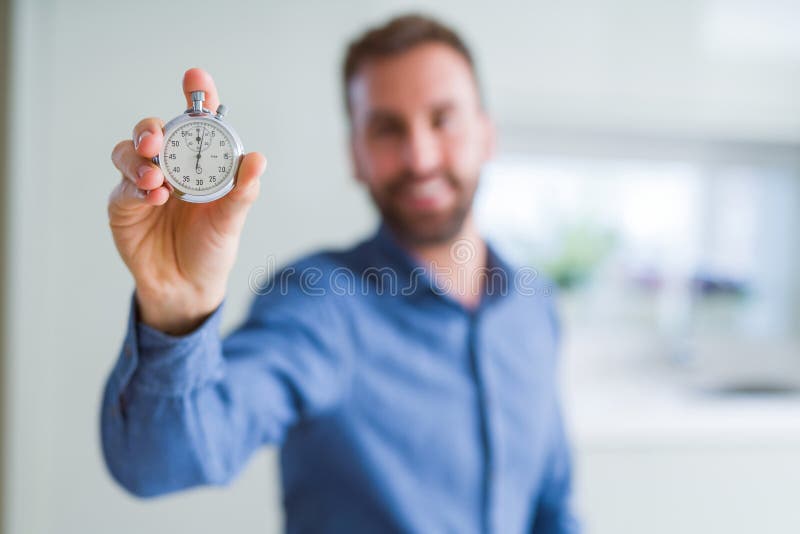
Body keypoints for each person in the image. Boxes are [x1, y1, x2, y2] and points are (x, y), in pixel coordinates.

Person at [101, 13, 579, 534]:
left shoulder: (534, 308)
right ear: (355, 154)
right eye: (386, 128)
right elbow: (159, 464)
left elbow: (551, 505)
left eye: (443, 120)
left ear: (487, 136)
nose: (419, 157)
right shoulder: (318, 304)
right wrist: (176, 308)